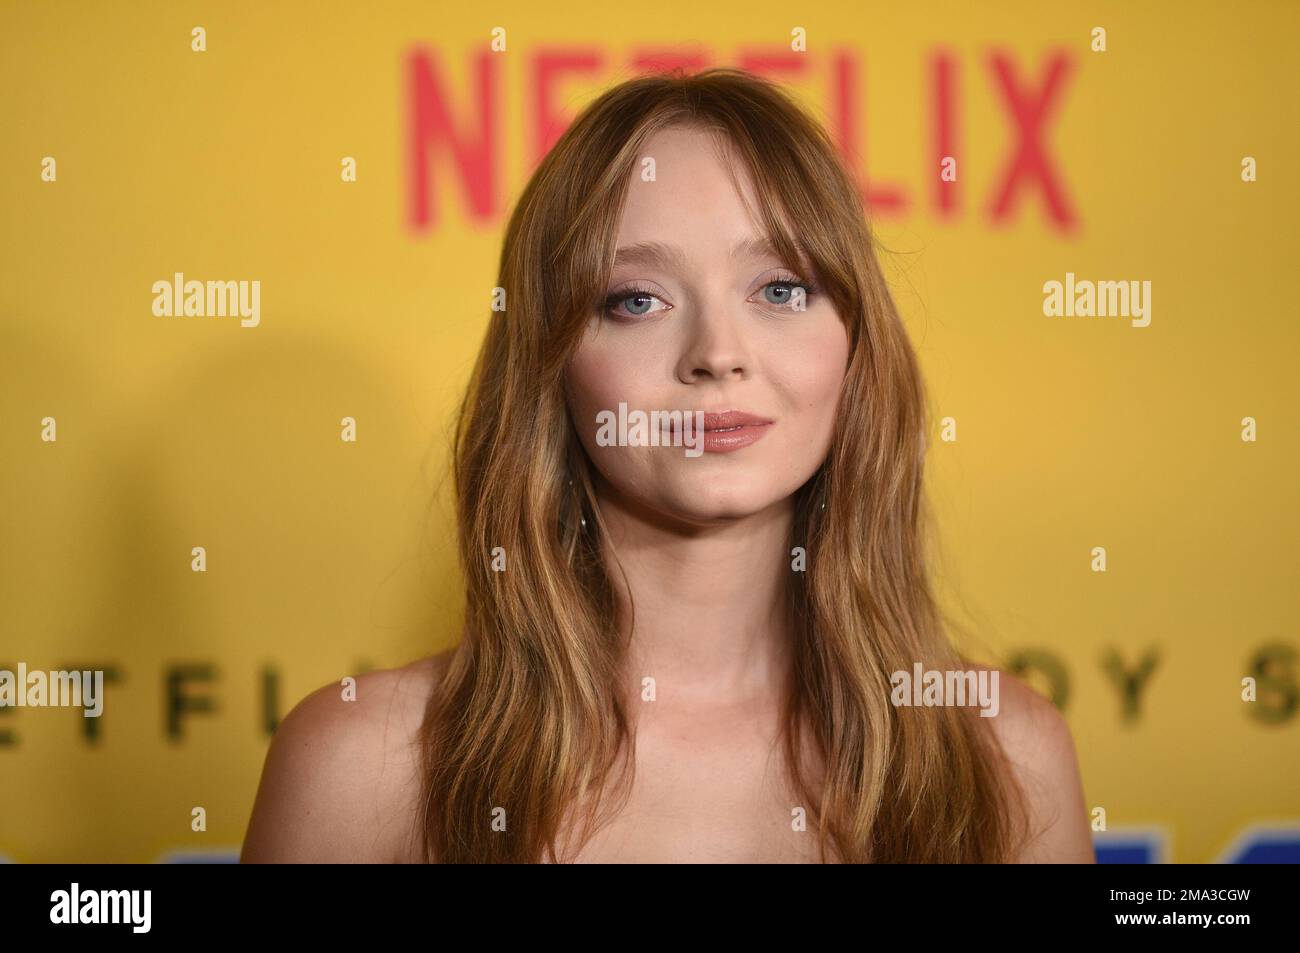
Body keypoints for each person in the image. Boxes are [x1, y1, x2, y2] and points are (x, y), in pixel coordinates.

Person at [241, 67, 1094, 864]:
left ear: (855, 345)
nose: (718, 354)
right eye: (636, 299)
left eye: (781, 288)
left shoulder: (1008, 757)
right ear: (549, 362)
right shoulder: (361, 769)